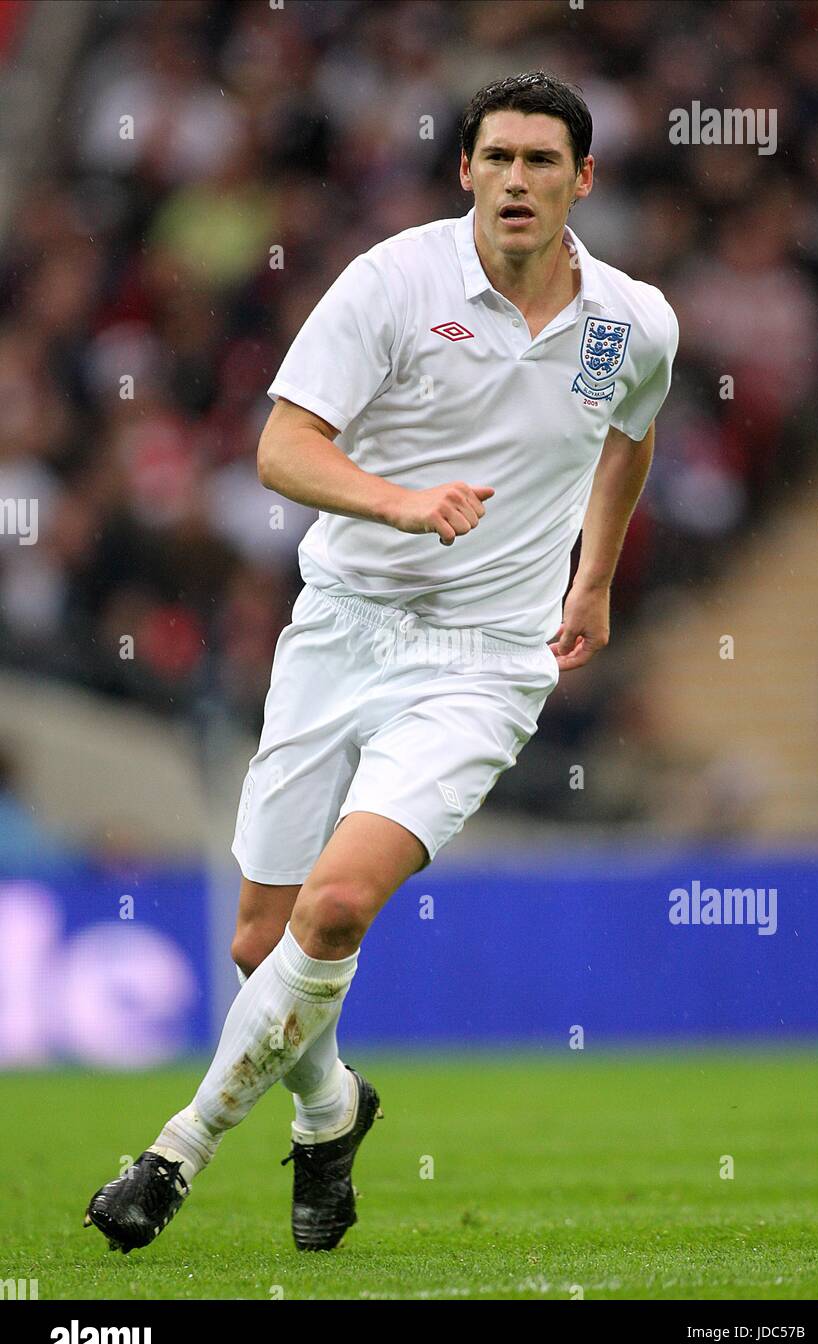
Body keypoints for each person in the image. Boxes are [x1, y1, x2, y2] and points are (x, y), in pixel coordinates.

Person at [85, 70, 678, 1254]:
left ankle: (175, 1150)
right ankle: (331, 1108)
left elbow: (632, 433)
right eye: (498, 158)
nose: (518, 180)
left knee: (339, 903)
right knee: (264, 942)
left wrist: (596, 577)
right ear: (464, 170)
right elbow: (281, 446)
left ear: (583, 180)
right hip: (342, 624)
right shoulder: (392, 284)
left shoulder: (634, 323)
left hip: (485, 659)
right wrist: (397, 503)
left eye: (543, 162)